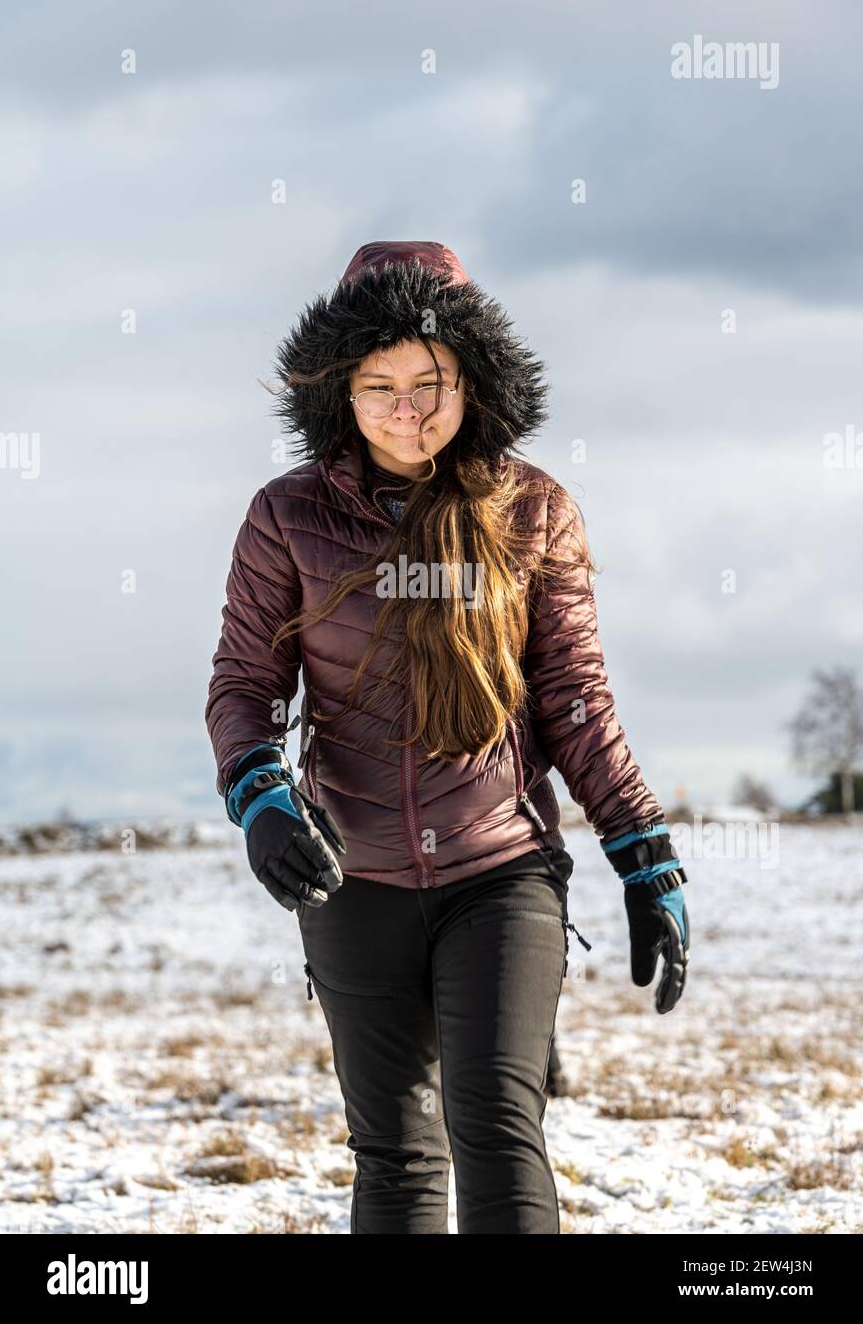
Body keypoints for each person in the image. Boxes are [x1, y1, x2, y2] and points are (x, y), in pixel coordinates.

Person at [205, 240, 690, 1235]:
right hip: (354, 884)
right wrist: (259, 798)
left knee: (496, 1129)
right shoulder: (285, 519)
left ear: (470, 379)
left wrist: (645, 856)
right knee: (395, 1157)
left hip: (500, 876)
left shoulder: (533, 511)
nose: (404, 407)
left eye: (427, 382)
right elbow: (244, 684)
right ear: (340, 390)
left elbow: (576, 703)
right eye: (377, 384)